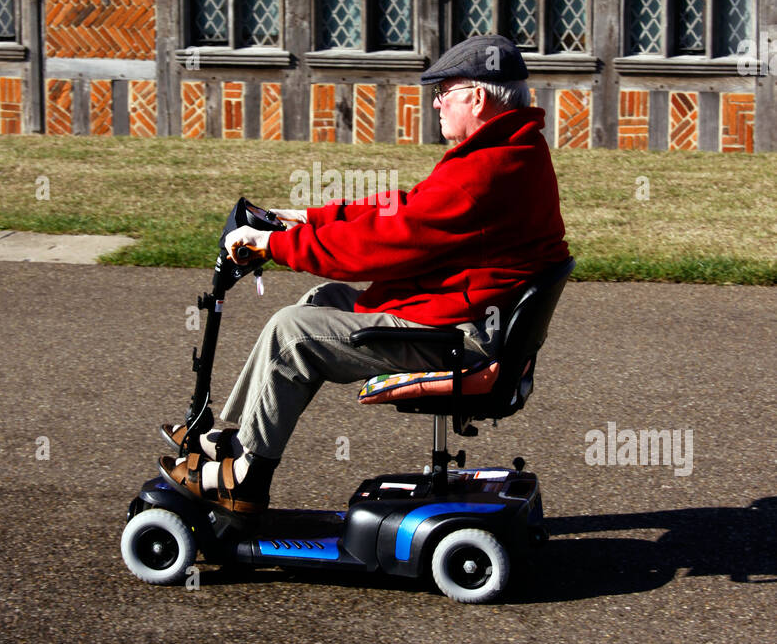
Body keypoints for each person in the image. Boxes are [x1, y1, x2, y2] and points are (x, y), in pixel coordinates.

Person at [159, 34, 570, 516]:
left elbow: (387, 245)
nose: (436, 103)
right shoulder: (510, 150)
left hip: (462, 338)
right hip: (471, 318)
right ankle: (230, 441)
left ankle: (245, 480)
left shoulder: (486, 171)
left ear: (476, 97)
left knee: (292, 333)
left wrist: (277, 245)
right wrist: (308, 219)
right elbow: (406, 209)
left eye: (445, 92)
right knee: (322, 301)